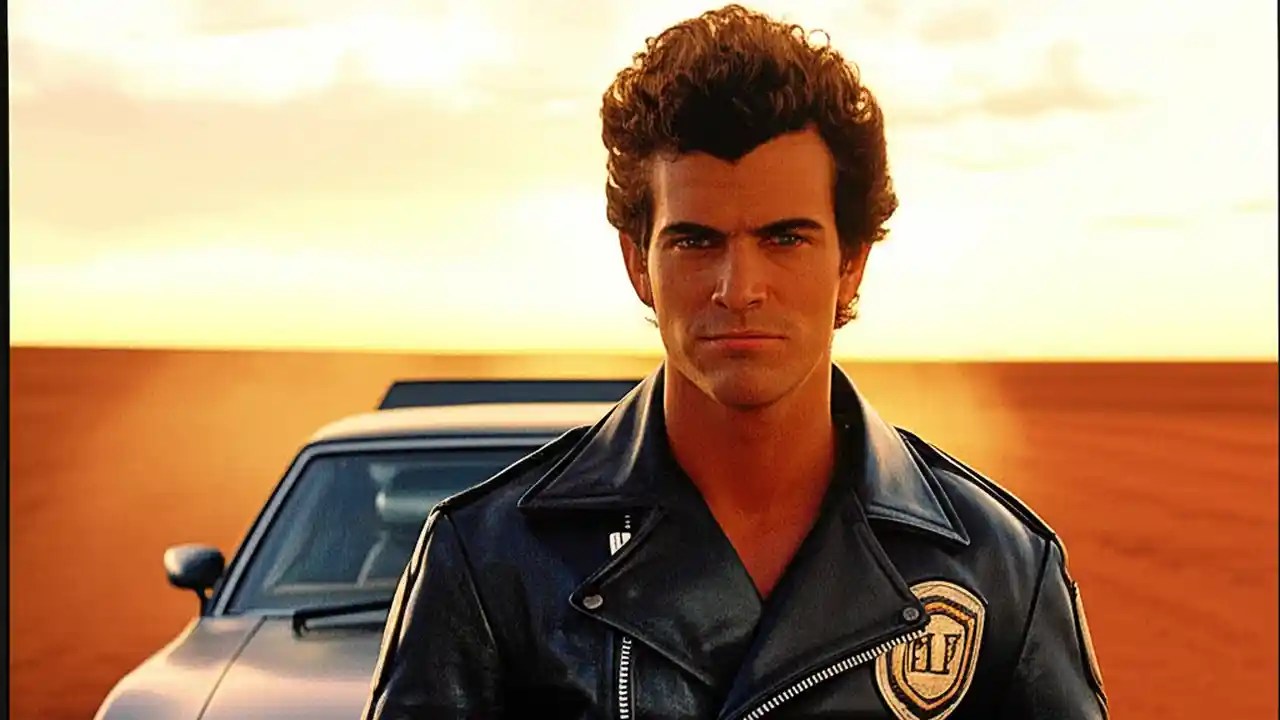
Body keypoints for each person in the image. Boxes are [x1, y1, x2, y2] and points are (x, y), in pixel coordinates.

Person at [362, 5, 1109, 718]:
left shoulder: (998, 568)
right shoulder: (495, 563)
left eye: (785, 239)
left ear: (851, 263)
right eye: (696, 240)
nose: (739, 289)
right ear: (638, 263)